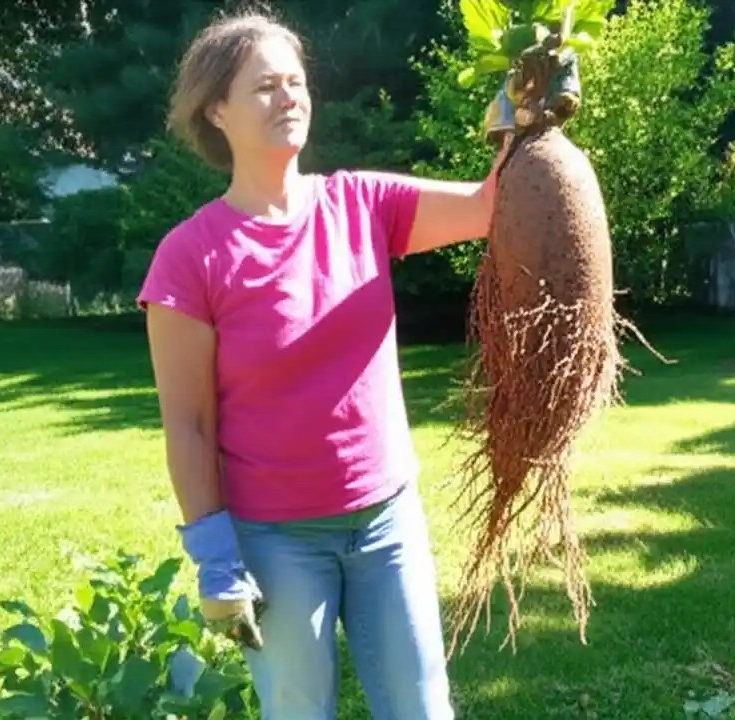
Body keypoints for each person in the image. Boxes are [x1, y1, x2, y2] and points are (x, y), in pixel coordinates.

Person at [137, 9, 512, 720]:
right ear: (216, 110)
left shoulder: (362, 205)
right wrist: (215, 557)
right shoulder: (190, 258)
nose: (288, 97)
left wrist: (526, 110)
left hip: (387, 524)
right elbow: (187, 426)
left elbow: (491, 206)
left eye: (296, 81)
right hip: (276, 541)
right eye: (264, 86)